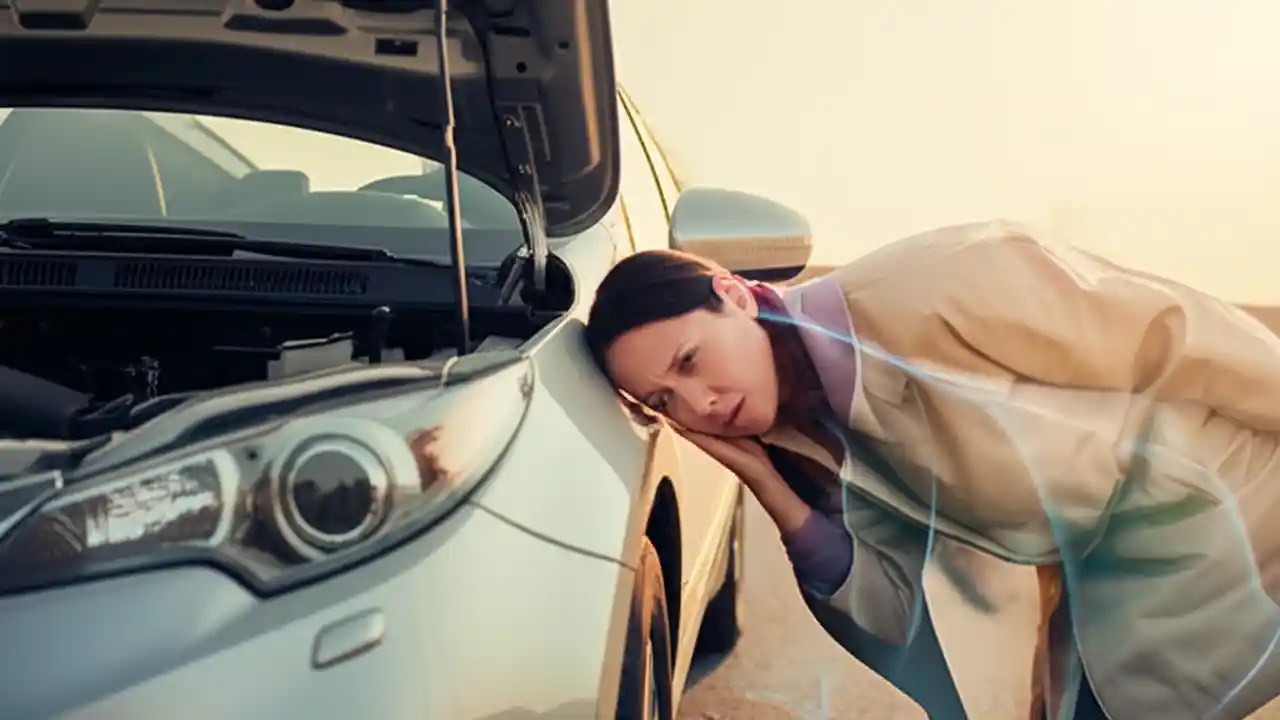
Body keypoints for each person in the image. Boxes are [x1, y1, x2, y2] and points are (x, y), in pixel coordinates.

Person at [584, 218, 1280, 720]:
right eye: (664, 401)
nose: (700, 403)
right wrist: (768, 487)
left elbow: (1175, 334)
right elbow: (892, 616)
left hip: (1243, 511)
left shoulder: (937, 285)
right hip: (1124, 596)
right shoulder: (801, 436)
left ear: (734, 295)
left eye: (690, 360)